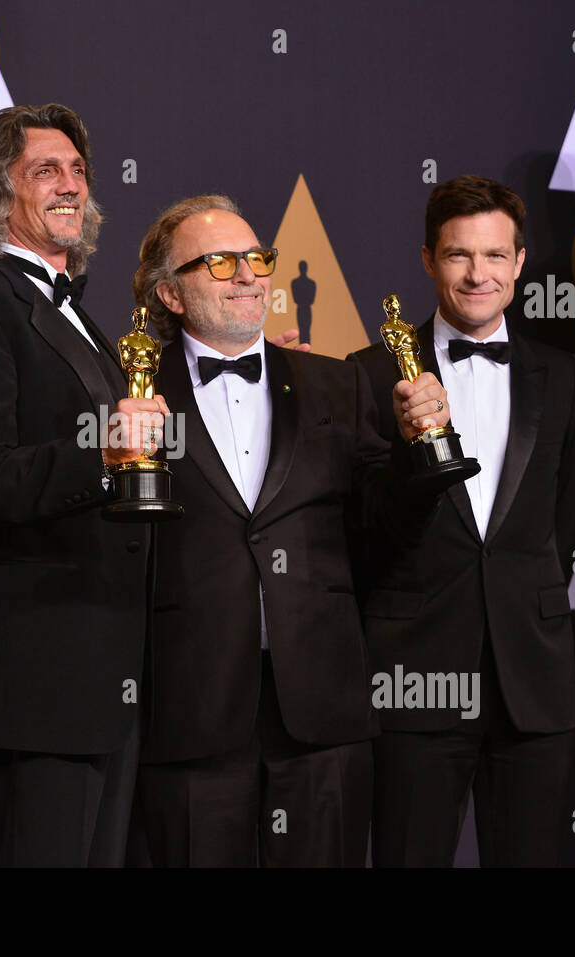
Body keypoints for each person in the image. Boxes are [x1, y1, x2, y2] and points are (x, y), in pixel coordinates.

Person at [131, 195, 449, 866]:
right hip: (191, 705)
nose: (248, 275)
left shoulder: (338, 384)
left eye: (257, 258)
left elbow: (383, 528)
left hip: (322, 706)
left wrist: (420, 450)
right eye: (219, 262)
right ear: (170, 292)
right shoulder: (128, 391)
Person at [0, 103, 164, 867]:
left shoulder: (82, 317)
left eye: (78, 172)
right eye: (45, 172)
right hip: (43, 671)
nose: (71, 186)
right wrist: (104, 451)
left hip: (105, 668)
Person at [351, 175, 575, 867]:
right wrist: (409, 455)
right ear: (428, 259)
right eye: (459, 255)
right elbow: (365, 528)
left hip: (534, 685)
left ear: (520, 263)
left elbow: (563, 519)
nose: (477, 273)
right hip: (415, 680)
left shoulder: (564, 377)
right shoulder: (369, 375)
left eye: (494, 256)